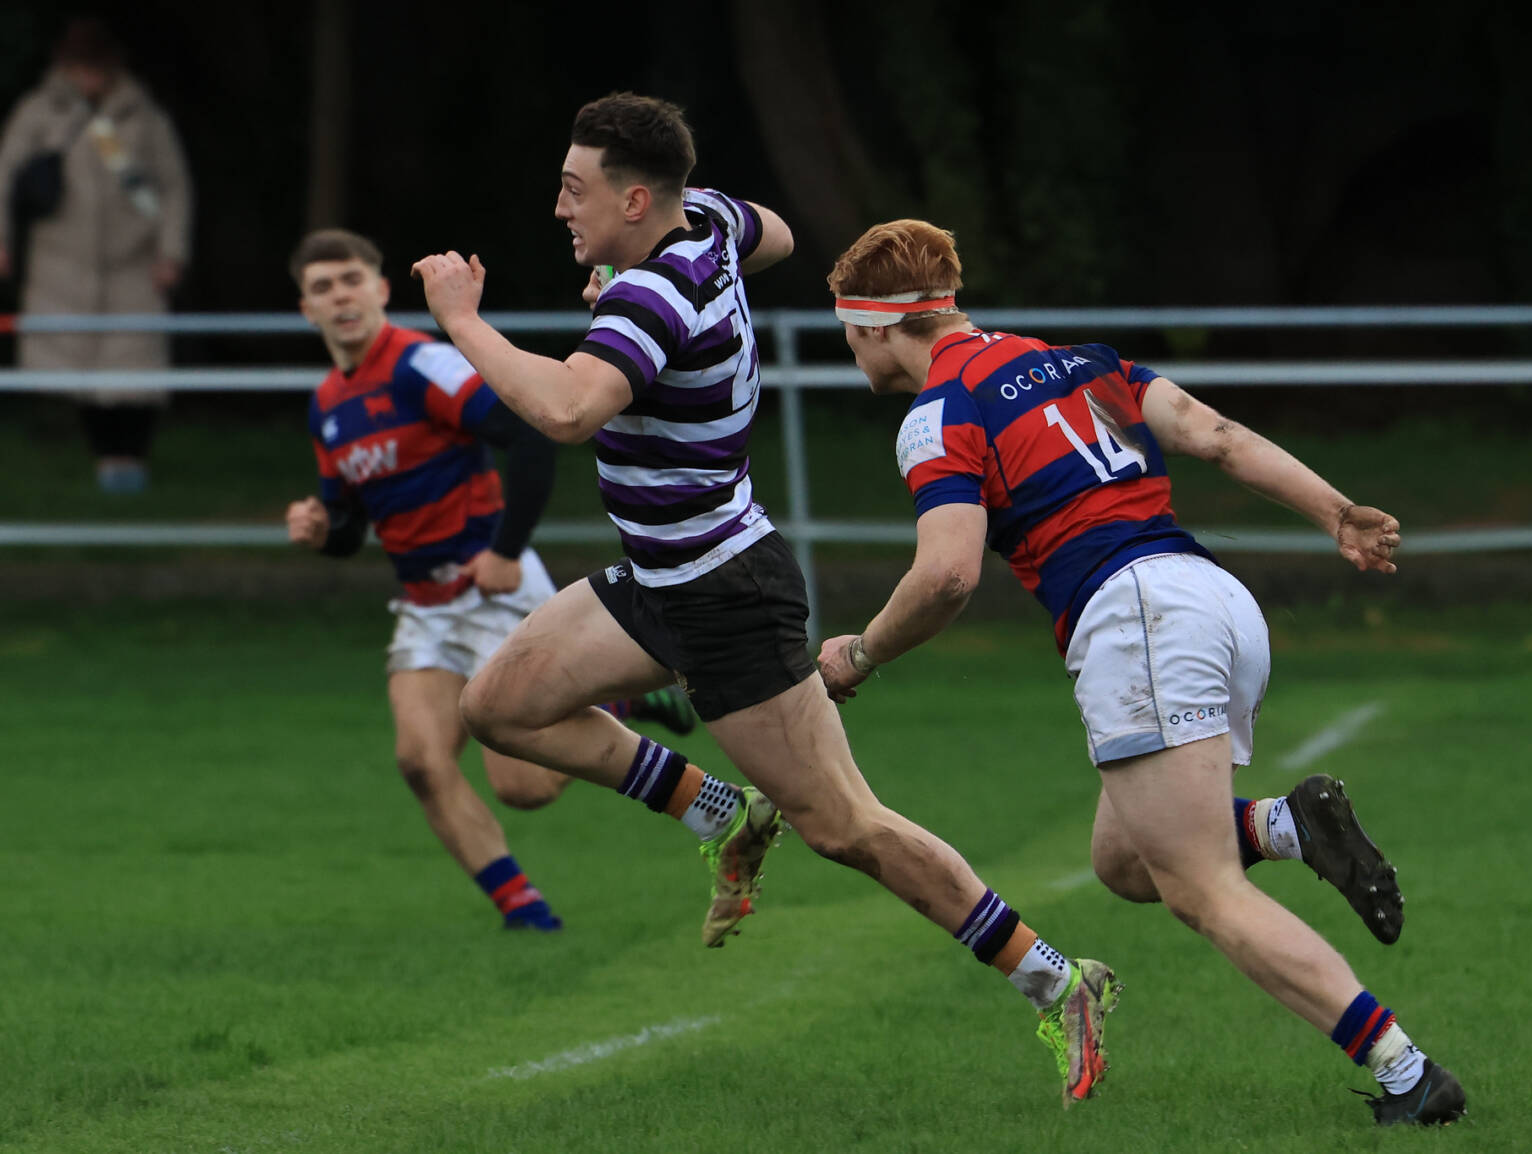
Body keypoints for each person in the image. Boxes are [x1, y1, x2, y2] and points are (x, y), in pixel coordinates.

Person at [412, 92, 1121, 1106]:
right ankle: (718, 811)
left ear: (636, 195)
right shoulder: (710, 225)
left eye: (575, 191)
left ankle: (1058, 978)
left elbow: (568, 407)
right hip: (661, 572)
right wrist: (637, 267)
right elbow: (778, 232)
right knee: (498, 707)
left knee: (846, 826)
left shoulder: (648, 295)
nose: (559, 207)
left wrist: (460, 321)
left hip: (725, 593)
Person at [815, 219, 1467, 1126]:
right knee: (1123, 860)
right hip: (1213, 598)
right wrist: (1334, 512)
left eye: (846, 331)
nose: (847, 350)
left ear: (879, 324)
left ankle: (1408, 1073)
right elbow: (1216, 434)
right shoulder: (1083, 362)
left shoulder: (937, 416)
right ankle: (1288, 826)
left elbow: (948, 573)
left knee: (1202, 890)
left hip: (1139, 622)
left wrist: (859, 652)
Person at [284, 227, 695, 932]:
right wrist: (327, 530)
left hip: (491, 587)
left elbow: (529, 434)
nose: (340, 296)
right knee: (419, 760)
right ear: (306, 309)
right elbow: (352, 521)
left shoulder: (421, 366)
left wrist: (507, 548)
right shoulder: (328, 403)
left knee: (525, 786)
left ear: (382, 291)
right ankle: (523, 912)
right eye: (322, 288)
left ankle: (620, 705)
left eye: (352, 279)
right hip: (422, 603)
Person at [0, 17, 191, 493]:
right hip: (60, 266)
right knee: (87, 371)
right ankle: (108, 462)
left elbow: (174, 188)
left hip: (134, 264)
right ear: (64, 67)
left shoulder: (145, 116)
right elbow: (3, 179)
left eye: (96, 67)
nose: (89, 77)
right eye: (80, 67)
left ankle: (130, 459)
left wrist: (171, 251)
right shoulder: (38, 112)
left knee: (137, 369)